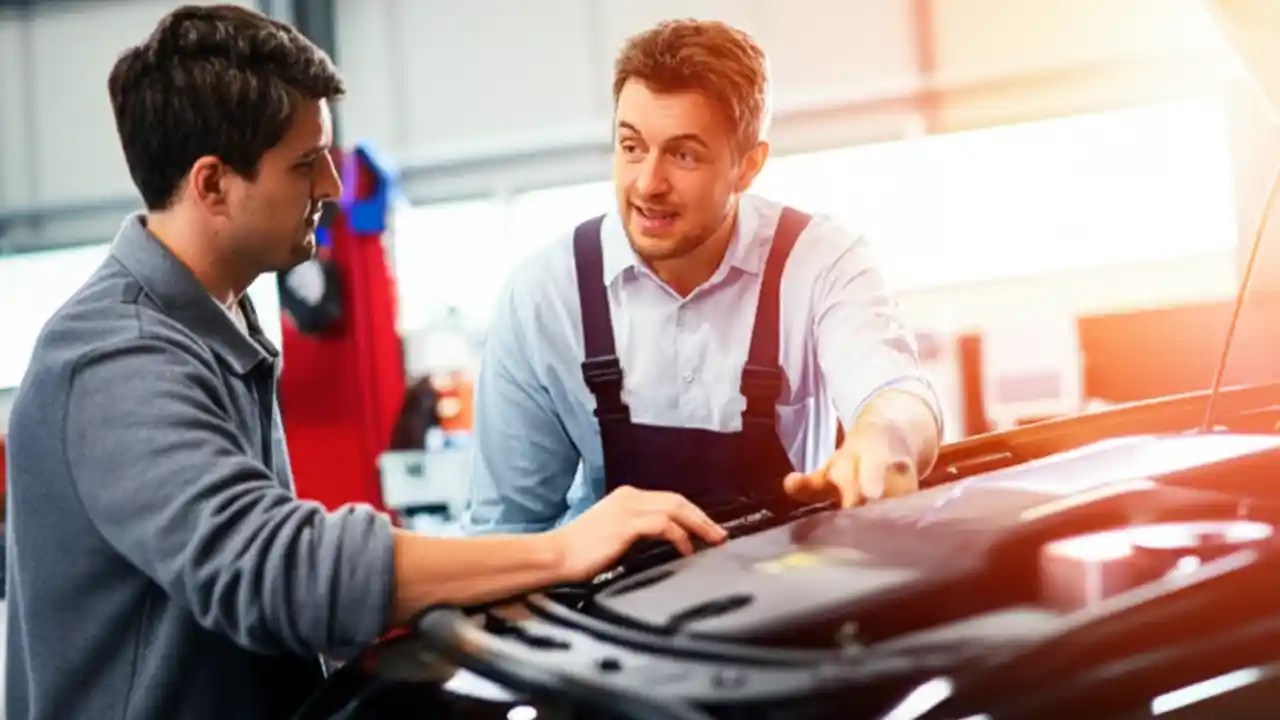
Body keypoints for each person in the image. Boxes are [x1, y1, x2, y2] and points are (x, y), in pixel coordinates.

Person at [3, 6, 725, 720]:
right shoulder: (115, 358)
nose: (332, 187)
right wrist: (561, 553)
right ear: (213, 184)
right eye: (305, 162)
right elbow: (278, 571)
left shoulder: (218, 319)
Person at [464, 19, 943, 535]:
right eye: (631, 147)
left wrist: (883, 436)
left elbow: (894, 391)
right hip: (616, 605)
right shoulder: (544, 297)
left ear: (748, 165)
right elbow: (507, 528)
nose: (648, 184)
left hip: (789, 589)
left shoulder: (822, 261)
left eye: (683, 154)